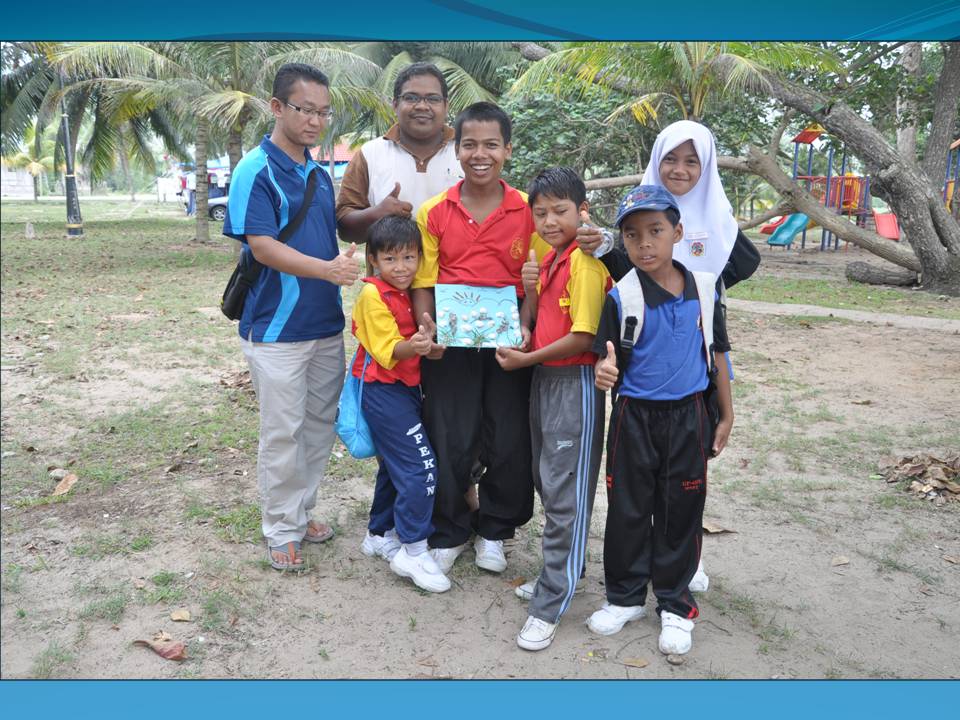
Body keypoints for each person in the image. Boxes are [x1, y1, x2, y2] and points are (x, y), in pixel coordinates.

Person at [564, 120, 760, 592]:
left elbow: (741, 269)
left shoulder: (718, 218)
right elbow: (623, 285)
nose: (680, 169)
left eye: (693, 160)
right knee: (635, 491)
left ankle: (681, 566)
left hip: (696, 360)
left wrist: (697, 284)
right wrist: (614, 249)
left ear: (707, 166)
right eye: (671, 158)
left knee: (685, 482)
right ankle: (632, 583)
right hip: (640, 373)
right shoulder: (637, 220)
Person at [223, 63, 361, 571]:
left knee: (320, 426)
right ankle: (281, 529)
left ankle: (300, 514)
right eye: (305, 110)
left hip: (325, 324)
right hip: (276, 329)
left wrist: (338, 262)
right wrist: (327, 271)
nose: (315, 121)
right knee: (283, 430)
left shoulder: (320, 172)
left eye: (324, 113)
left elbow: (321, 239)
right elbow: (261, 247)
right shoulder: (253, 170)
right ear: (277, 108)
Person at [588, 184, 733, 657]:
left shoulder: (705, 288)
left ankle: (674, 602)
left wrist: (726, 413)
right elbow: (603, 359)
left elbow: (719, 352)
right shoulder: (620, 296)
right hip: (634, 417)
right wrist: (603, 371)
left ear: (678, 232)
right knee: (628, 508)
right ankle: (625, 596)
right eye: (631, 236)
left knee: (680, 510)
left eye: (655, 231)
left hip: (689, 414)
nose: (644, 244)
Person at [411, 101, 550, 575]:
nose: (480, 154)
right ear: (457, 149)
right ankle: (449, 529)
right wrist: (427, 330)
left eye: (491, 144)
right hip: (449, 339)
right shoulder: (433, 212)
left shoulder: (529, 214)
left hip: (508, 336)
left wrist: (528, 324)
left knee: (509, 435)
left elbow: (538, 279)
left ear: (507, 150)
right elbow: (423, 281)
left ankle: (495, 529)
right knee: (450, 432)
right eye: (470, 144)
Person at [494, 167, 612, 651]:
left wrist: (526, 359)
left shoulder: (584, 263)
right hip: (546, 380)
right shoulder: (552, 258)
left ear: (582, 212)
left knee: (566, 492)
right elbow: (540, 318)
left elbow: (583, 337)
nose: (547, 221)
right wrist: (527, 300)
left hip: (576, 383)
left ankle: (550, 602)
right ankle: (562, 571)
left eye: (559, 211)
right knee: (549, 479)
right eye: (539, 212)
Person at [351, 215, 450, 593]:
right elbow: (390, 349)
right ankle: (413, 547)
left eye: (409, 258)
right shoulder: (372, 295)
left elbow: (413, 347)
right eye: (390, 259)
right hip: (383, 391)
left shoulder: (405, 293)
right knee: (421, 467)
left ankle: (378, 533)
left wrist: (429, 348)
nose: (401, 267)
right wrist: (420, 345)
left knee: (394, 467)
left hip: (404, 389)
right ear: (373, 259)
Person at [336, 62, 463, 246]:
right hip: (390, 275)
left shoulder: (468, 152)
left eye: (433, 99)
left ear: (445, 105)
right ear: (395, 105)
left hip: (457, 273)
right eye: (411, 98)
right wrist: (377, 213)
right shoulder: (370, 154)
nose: (422, 106)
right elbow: (345, 229)